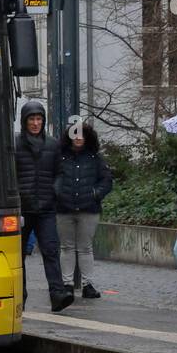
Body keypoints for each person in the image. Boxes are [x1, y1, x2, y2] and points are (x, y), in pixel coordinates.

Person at [15, 100, 72, 312]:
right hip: (22, 209)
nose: (35, 123)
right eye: (32, 119)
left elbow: (60, 172)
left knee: (51, 250)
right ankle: (20, 295)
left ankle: (57, 294)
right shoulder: (15, 145)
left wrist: (55, 191)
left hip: (46, 208)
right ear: (25, 121)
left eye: (39, 119)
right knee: (18, 255)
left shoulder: (53, 145)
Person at [54, 122, 113, 298]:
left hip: (89, 209)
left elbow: (107, 181)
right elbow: (52, 177)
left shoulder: (95, 158)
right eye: (75, 134)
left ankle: (87, 285)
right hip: (64, 208)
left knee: (85, 248)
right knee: (67, 247)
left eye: (82, 135)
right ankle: (67, 284)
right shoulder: (60, 157)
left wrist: (95, 194)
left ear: (87, 137)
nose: (79, 138)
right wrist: (58, 193)